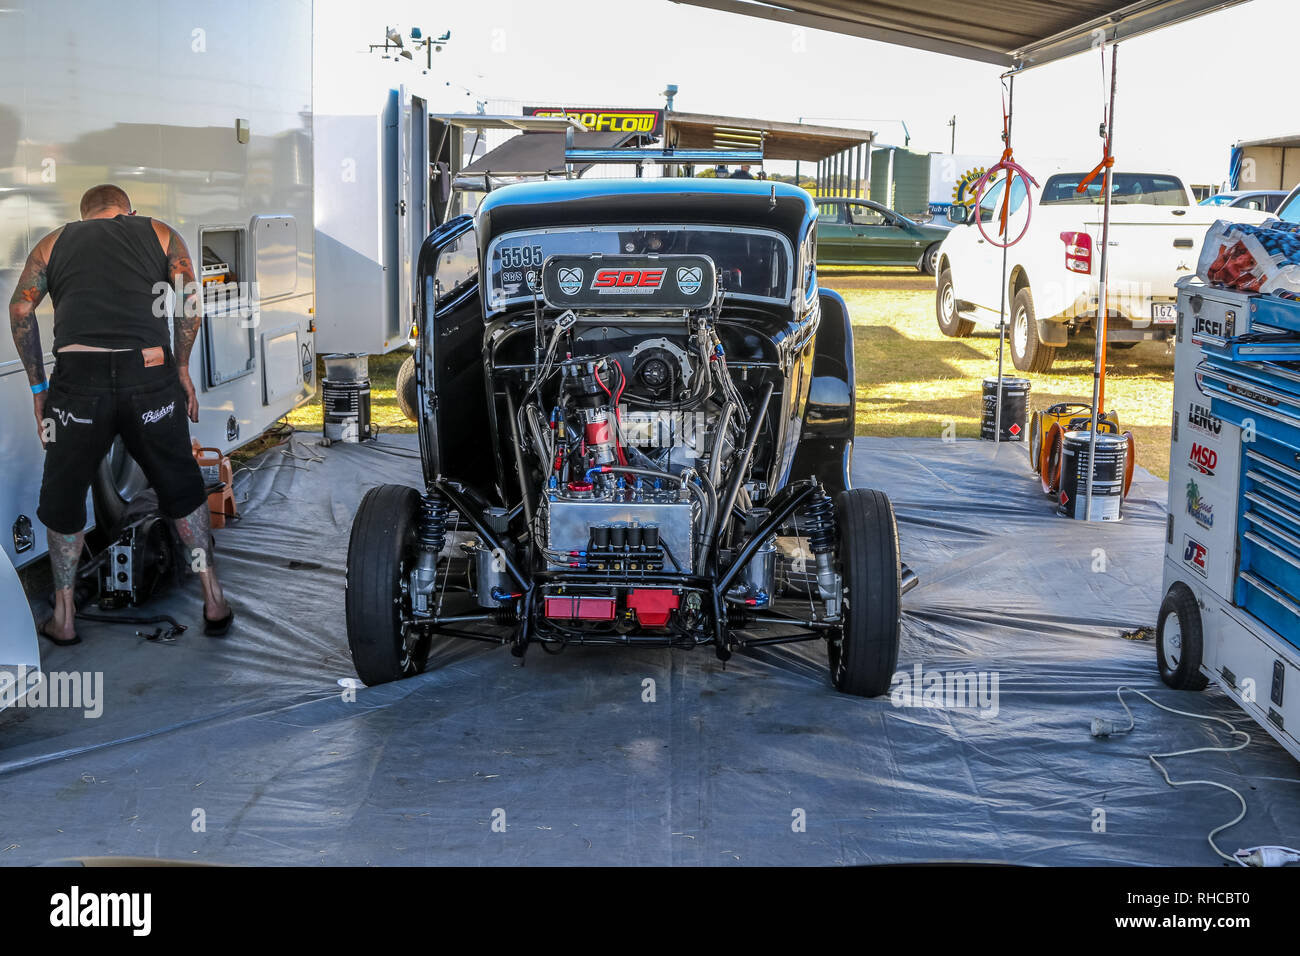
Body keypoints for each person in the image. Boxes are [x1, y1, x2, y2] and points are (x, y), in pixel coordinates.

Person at [7, 184, 233, 645]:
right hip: (148, 375)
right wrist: (183, 368)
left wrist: (38, 387)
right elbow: (191, 304)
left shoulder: (53, 243)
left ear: (84, 215)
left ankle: (65, 618)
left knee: (65, 495)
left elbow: (20, 307)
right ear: (127, 210)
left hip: (78, 383)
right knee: (179, 485)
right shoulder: (159, 233)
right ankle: (213, 598)